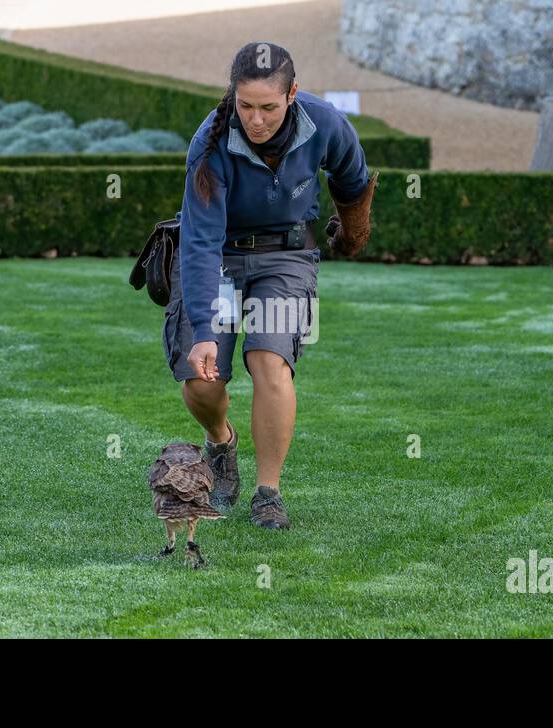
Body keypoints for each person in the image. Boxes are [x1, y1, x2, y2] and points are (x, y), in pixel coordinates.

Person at [163, 40, 378, 529]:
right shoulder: (210, 143)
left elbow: (353, 178)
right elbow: (199, 242)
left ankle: (268, 493)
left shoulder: (325, 123)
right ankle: (220, 441)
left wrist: (353, 229)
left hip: (286, 256)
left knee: (269, 361)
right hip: (218, 257)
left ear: (293, 95)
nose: (256, 120)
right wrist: (201, 327)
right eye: (245, 106)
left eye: (268, 107)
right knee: (201, 380)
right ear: (231, 97)